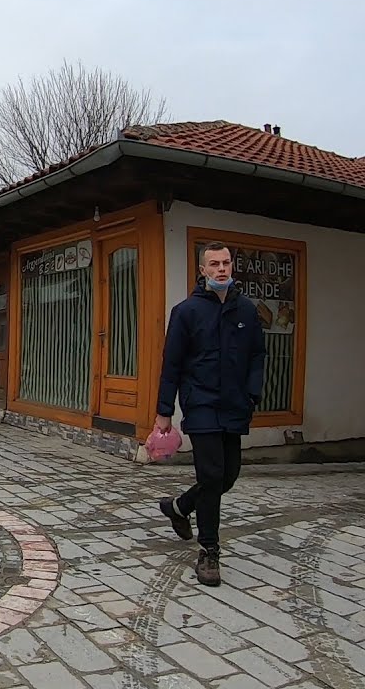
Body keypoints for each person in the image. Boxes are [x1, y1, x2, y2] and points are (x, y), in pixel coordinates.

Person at [154, 241, 266, 587]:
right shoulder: (186, 312)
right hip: (200, 403)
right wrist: (164, 411)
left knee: (227, 475)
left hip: (234, 404)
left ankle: (179, 506)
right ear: (202, 270)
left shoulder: (247, 311)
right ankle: (209, 551)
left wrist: (252, 394)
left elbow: (258, 356)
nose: (221, 269)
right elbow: (171, 364)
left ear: (233, 266)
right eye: (213, 264)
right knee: (212, 474)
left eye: (226, 262)